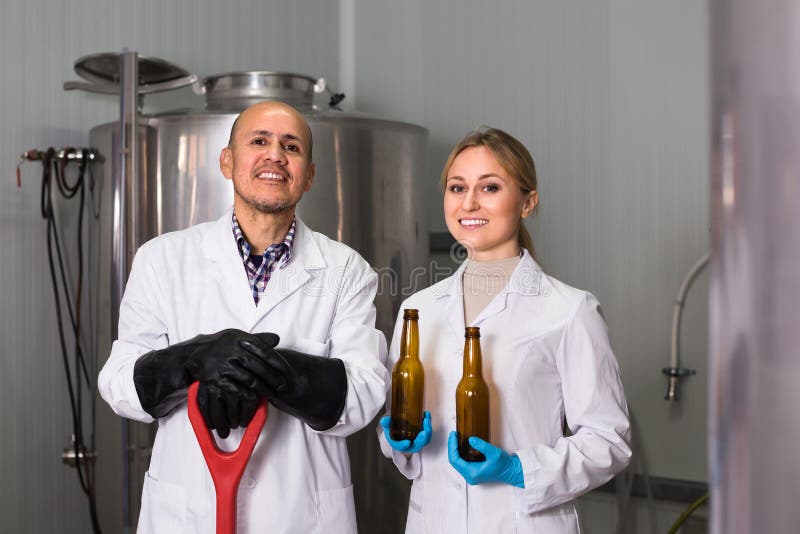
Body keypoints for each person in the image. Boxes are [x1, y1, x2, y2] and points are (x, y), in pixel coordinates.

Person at [99, 101, 388, 534]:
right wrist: (193, 359)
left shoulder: (347, 270)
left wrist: (274, 371)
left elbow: (364, 393)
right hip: (187, 515)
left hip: (300, 517)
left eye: (291, 147)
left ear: (309, 175)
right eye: (259, 141)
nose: (275, 155)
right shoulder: (162, 259)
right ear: (227, 162)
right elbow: (120, 383)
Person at [378, 127, 632, 533]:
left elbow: (609, 441)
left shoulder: (569, 311)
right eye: (457, 188)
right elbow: (402, 434)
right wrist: (399, 441)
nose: (469, 202)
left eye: (490, 187)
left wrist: (519, 468)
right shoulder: (419, 310)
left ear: (528, 202)